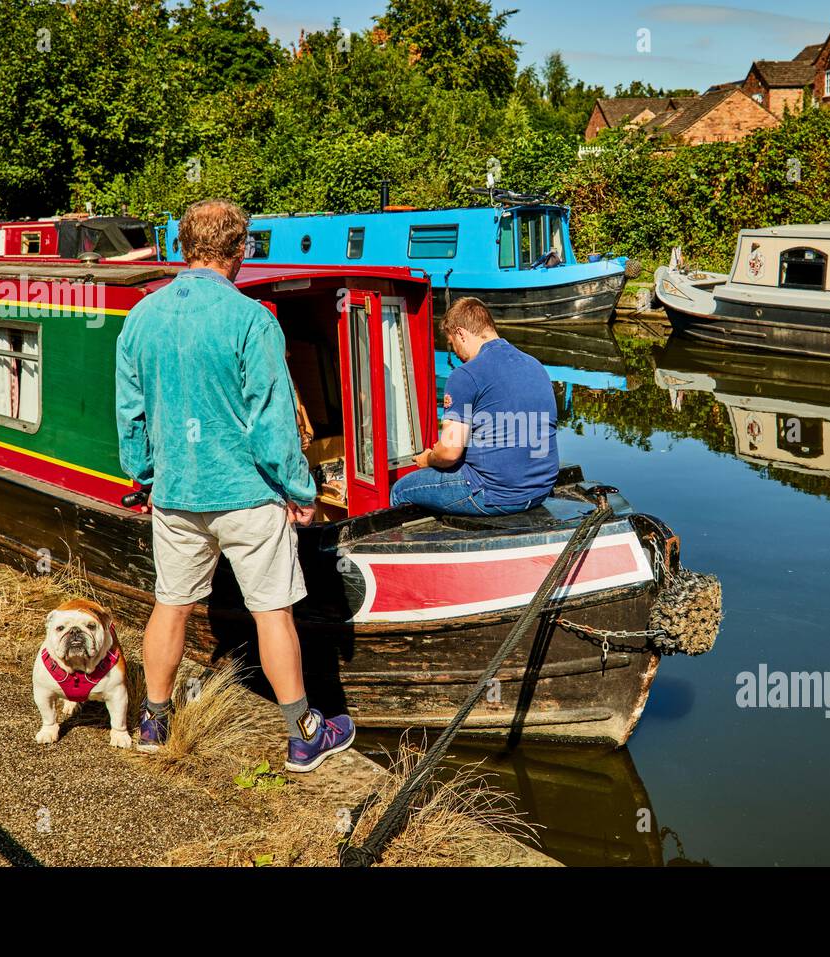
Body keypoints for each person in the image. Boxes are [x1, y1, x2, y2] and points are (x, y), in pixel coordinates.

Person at [115, 198, 354, 772]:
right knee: (274, 613)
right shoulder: (252, 320)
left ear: (180, 246)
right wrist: (300, 492)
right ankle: (303, 736)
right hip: (246, 494)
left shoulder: (141, 317)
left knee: (169, 605)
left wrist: (145, 474)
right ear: (241, 250)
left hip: (175, 492)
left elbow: (131, 414)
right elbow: (272, 424)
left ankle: (152, 721)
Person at [390, 297, 559, 516]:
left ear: (461, 333)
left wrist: (428, 458)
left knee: (400, 490)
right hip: (541, 489)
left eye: (452, 344)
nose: (456, 353)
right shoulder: (534, 364)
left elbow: (450, 452)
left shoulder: (465, 375)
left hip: (496, 494)